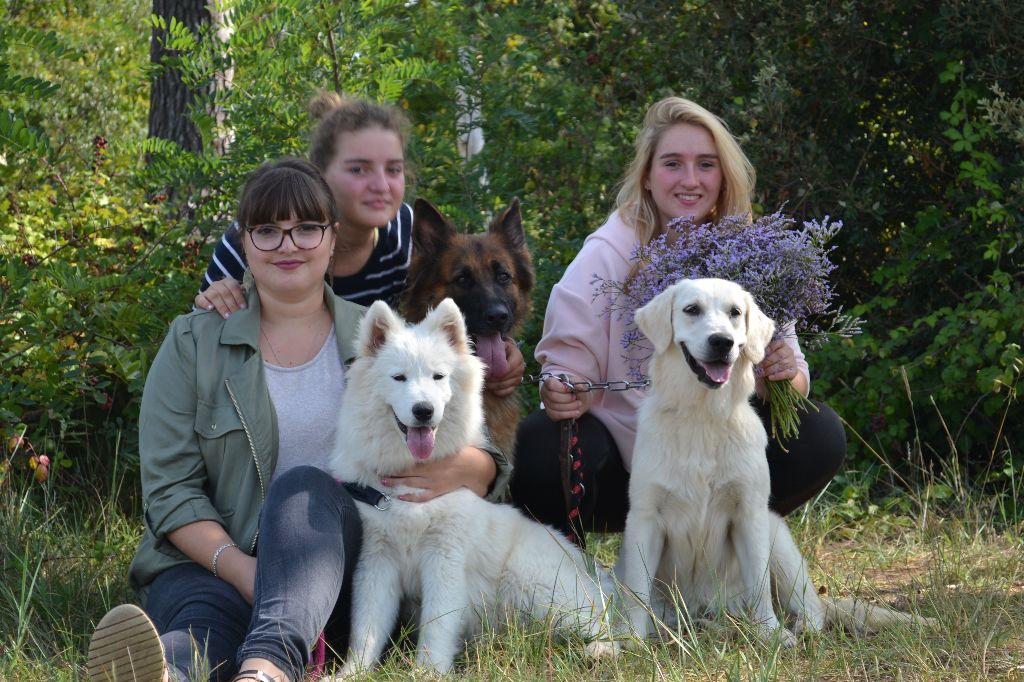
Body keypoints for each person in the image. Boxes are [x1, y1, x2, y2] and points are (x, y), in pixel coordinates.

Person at [86, 159, 511, 682]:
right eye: (267, 231)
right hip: (212, 562)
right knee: (200, 628)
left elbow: (469, 439)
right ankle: (168, 673)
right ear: (244, 242)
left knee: (306, 489)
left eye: (307, 228)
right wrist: (247, 571)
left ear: (333, 239)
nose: (288, 245)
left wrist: (473, 467)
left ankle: (266, 667)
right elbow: (170, 491)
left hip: (334, 569)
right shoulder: (193, 341)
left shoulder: (381, 336)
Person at [510, 96, 846, 535]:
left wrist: (783, 376)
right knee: (539, 445)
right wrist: (563, 390)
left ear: (723, 176)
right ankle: (568, 575)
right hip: (632, 464)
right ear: (647, 177)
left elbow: (794, 374)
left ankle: (724, 548)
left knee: (818, 433)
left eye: (706, 164)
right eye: (673, 164)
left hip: (723, 454)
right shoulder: (607, 252)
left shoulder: (751, 252)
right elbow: (567, 366)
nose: (690, 180)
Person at [194, 91, 521, 504]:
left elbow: (443, 318)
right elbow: (200, 342)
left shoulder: (403, 231)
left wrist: (497, 351)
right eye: (359, 169)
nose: (381, 185)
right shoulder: (262, 235)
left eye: (394, 169)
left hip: (381, 401)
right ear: (319, 175)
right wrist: (218, 294)